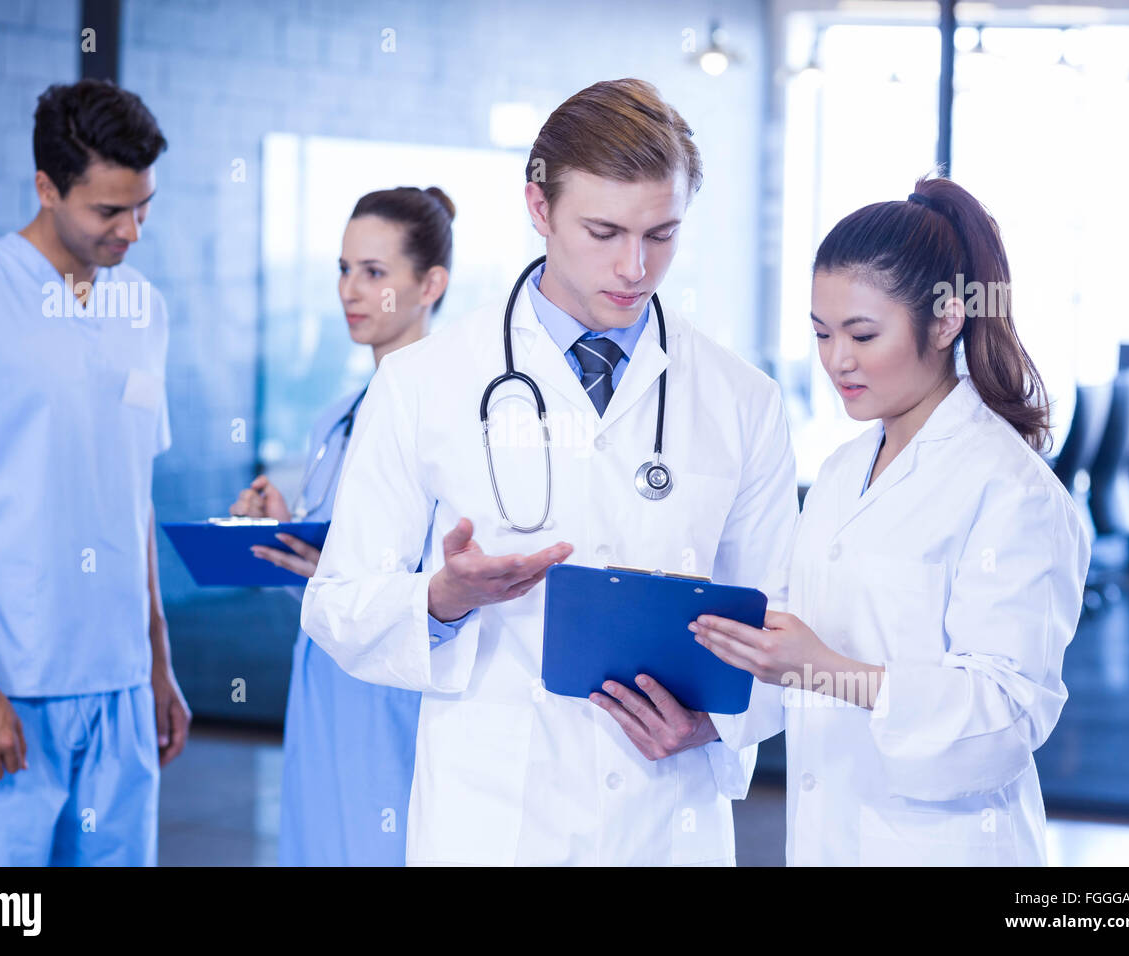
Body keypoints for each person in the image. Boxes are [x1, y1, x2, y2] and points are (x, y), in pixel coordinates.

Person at [301, 78, 799, 866]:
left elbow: (784, 621)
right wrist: (441, 598)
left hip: (665, 816)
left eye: (662, 234)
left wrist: (720, 723)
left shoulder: (743, 400)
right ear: (539, 208)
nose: (635, 267)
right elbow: (336, 606)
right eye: (602, 231)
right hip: (493, 821)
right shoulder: (426, 382)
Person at [692, 176, 1090, 866]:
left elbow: (1006, 714)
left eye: (862, 334)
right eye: (821, 334)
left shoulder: (1012, 492)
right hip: (828, 834)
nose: (836, 360)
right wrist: (707, 703)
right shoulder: (845, 469)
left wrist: (829, 671)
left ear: (944, 322)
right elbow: (793, 639)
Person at [0, 79, 188, 866]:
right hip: (3, 686)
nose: (132, 230)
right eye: (107, 211)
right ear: (46, 188)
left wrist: (157, 662)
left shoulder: (146, 310)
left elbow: (133, 502)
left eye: (143, 205)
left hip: (118, 690)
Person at [228, 187, 453, 865]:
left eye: (375, 273)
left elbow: (448, 584)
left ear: (430, 284)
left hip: (398, 692)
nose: (350, 290)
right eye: (344, 268)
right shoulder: (336, 417)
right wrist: (285, 535)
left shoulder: (450, 415)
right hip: (325, 678)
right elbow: (335, 579)